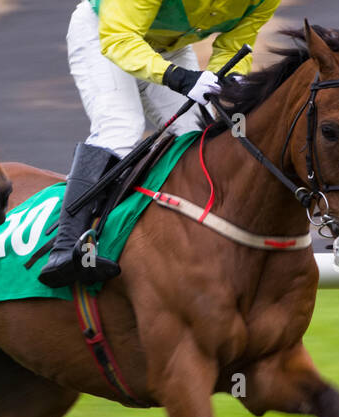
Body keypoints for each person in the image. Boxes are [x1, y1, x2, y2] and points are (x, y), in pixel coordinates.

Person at [39, 0, 278, 288]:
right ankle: (65, 249)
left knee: (197, 136)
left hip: (169, 48)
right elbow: (119, 38)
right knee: (120, 129)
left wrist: (230, 77)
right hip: (105, 34)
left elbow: (235, 45)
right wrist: (179, 78)